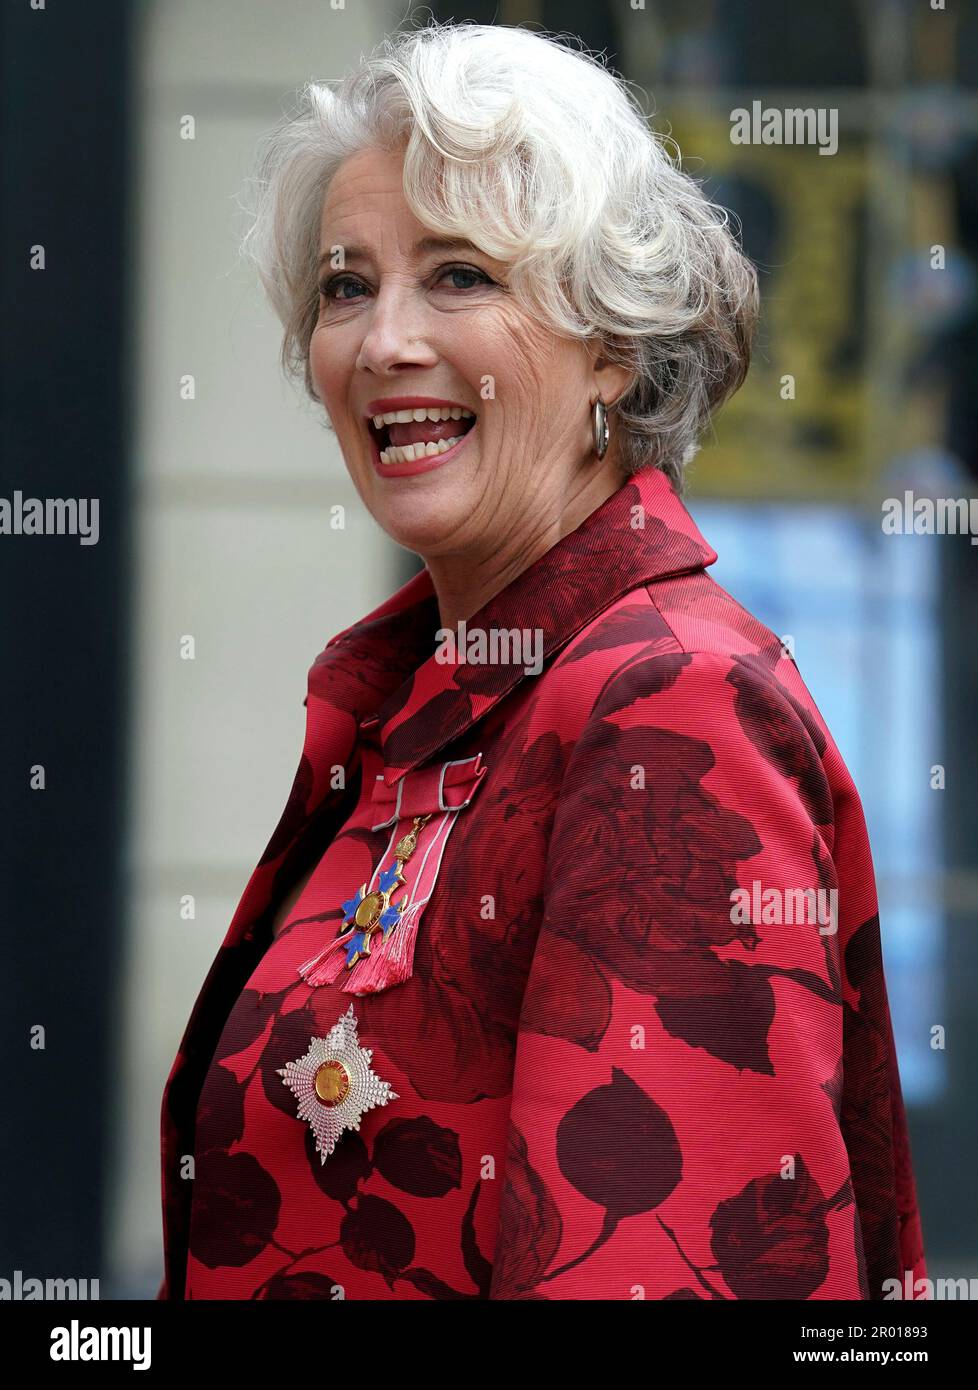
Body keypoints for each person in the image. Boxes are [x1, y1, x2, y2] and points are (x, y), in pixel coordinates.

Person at [157, 20, 926, 1300]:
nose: (386, 340)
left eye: (459, 275)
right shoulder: (428, 707)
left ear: (612, 347)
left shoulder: (670, 701)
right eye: (348, 286)